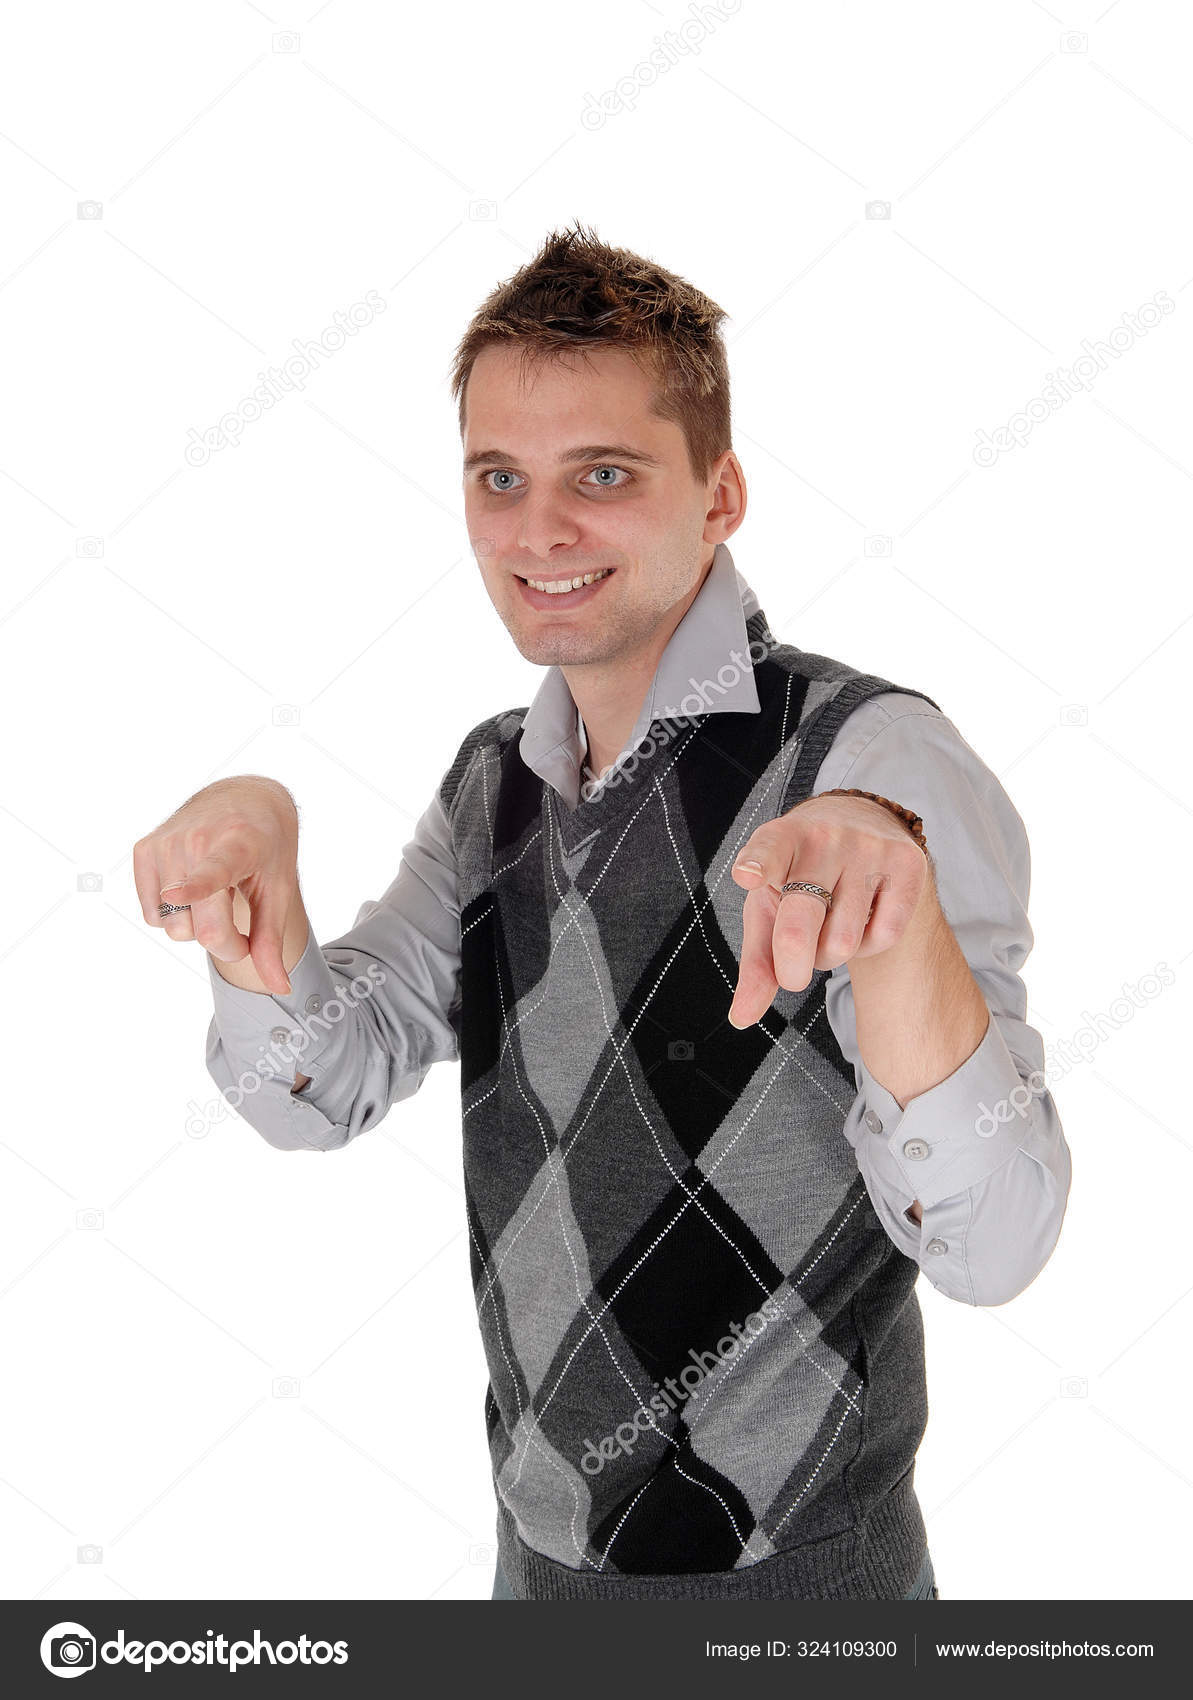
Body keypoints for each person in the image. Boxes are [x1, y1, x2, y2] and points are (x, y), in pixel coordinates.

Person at [134, 223, 1070, 1602]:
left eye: (605, 475)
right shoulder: (491, 783)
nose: (540, 532)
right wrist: (251, 893)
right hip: (537, 1571)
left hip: (802, 1591)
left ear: (721, 493)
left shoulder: (874, 764)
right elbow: (316, 1089)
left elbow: (995, 1245)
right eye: (499, 479)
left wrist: (902, 922)